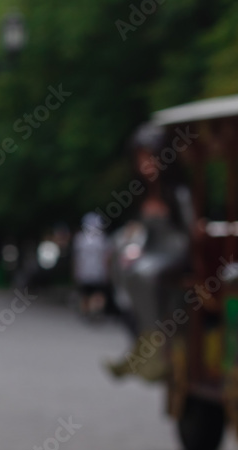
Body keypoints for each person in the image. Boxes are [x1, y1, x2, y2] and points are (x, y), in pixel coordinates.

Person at [106, 124, 193, 381]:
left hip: (174, 252)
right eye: (141, 158)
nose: (145, 164)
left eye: (150, 157)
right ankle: (139, 336)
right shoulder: (145, 194)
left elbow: (188, 232)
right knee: (122, 264)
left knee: (141, 273)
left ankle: (152, 345)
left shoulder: (177, 194)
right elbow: (143, 233)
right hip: (153, 252)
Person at [72, 212, 111, 319]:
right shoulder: (102, 239)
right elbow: (106, 258)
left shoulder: (80, 238)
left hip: (87, 271)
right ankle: (94, 311)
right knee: (96, 293)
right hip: (96, 271)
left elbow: (77, 258)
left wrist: (76, 271)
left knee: (87, 293)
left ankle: (88, 312)